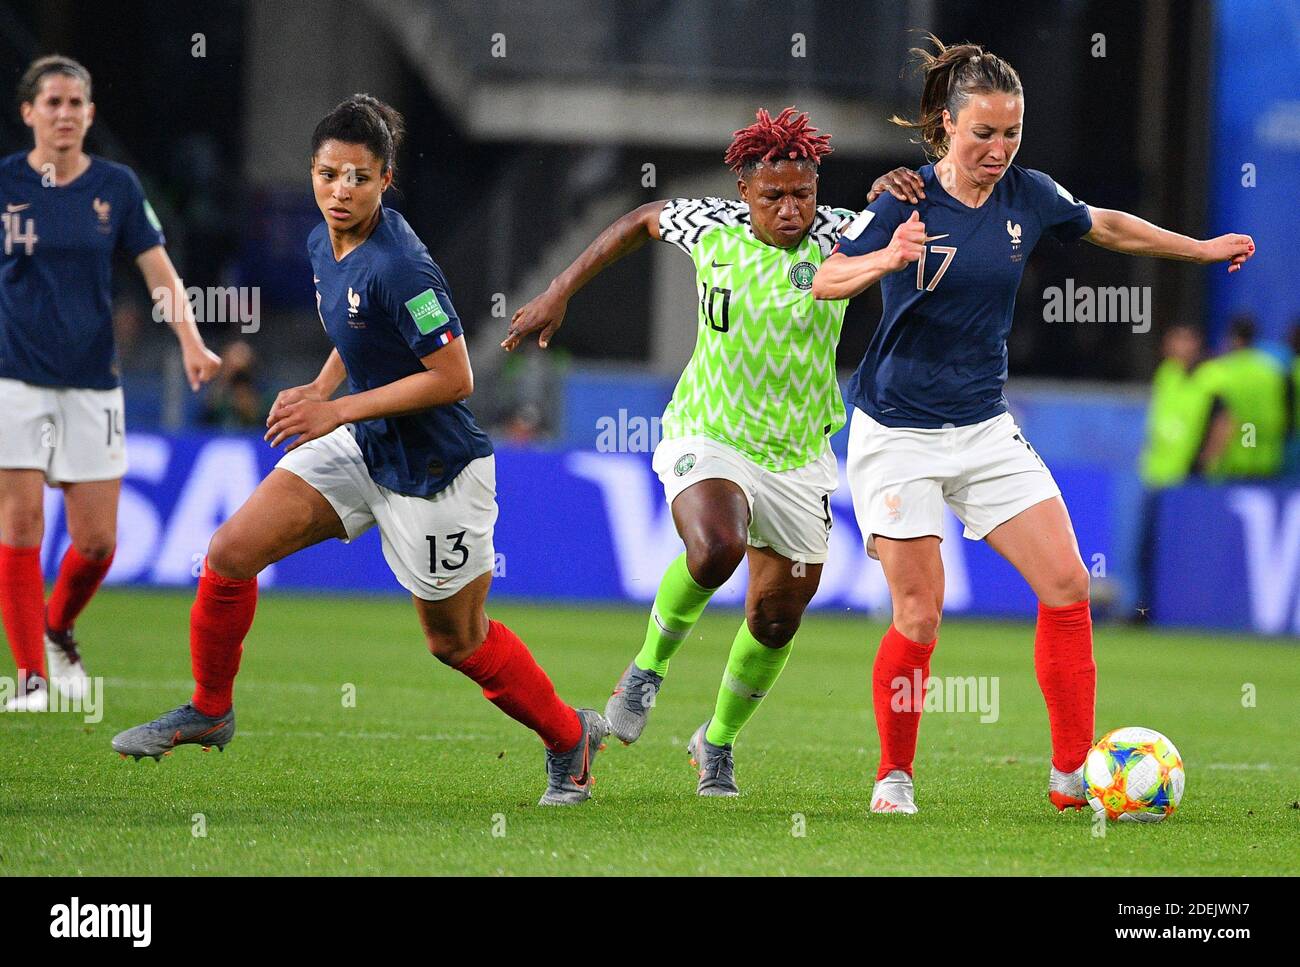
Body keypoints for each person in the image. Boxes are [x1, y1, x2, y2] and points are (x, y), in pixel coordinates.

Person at [112, 95, 608, 806]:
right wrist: (321, 387)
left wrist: (334, 408)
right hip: (365, 443)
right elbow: (358, 335)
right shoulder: (323, 241)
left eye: (358, 178)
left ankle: (569, 740)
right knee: (228, 553)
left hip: (438, 472)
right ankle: (210, 708)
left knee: (457, 642)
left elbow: (454, 377)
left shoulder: (402, 266)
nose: (340, 191)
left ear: (386, 181)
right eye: (328, 173)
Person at [811, 35, 1254, 814]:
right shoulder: (903, 199)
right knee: (919, 611)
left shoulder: (1028, 195)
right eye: (984, 132)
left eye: (1012, 132)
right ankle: (894, 774)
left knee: (1068, 581)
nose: (999, 147)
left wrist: (1199, 250)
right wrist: (885, 260)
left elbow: (1107, 224)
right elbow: (826, 278)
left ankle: (1068, 774)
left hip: (983, 427)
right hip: (898, 431)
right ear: (946, 126)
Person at [505, 106, 920, 796]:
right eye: (773, 197)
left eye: (803, 195)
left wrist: (904, 183)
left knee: (776, 616)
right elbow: (639, 220)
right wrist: (558, 291)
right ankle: (646, 667)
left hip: (798, 453)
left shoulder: (847, 235)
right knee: (716, 545)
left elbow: (918, 225)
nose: (791, 210)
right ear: (744, 196)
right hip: (709, 432)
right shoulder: (709, 227)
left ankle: (716, 740)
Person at [0, 56, 222, 711]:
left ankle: (59, 624)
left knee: (97, 542)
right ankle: (32, 678)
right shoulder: (5, 184)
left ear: (90, 114)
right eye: (53, 102)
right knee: (20, 523)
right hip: (14, 376)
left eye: (76, 103)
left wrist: (190, 338)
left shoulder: (117, 188)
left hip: (93, 382)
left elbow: (158, 271)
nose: (64, 113)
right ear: (28, 112)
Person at [1134, 324, 1210, 621]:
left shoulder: (1208, 378)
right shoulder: (1166, 373)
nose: (1175, 347)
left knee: (1179, 552)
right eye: (1172, 340)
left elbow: (1223, 420)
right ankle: (1144, 611)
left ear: (1196, 345)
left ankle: (1179, 612)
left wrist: (1201, 465)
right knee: (1146, 550)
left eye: (1183, 340)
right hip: (1156, 476)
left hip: (1185, 480)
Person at [1192, 315, 1286, 480]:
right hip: (1267, 458)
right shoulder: (1272, 371)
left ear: (1232, 338)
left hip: (1229, 461)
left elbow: (1214, 417)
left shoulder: (1217, 372)